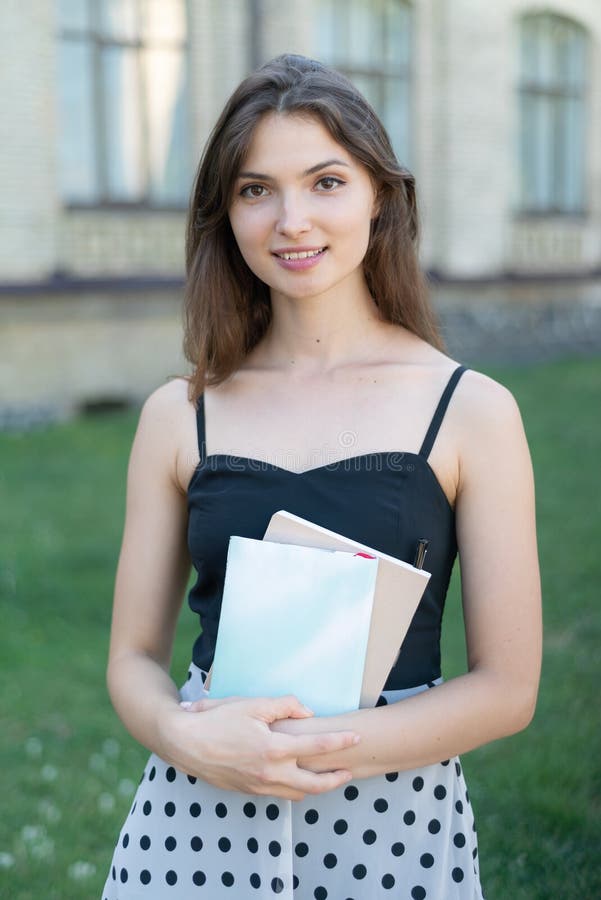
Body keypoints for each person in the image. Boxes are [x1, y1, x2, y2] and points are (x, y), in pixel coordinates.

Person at [101, 53, 542, 899]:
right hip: (193, 821)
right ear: (224, 213)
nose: (290, 220)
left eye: (326, 181)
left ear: (380, 196)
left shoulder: (470, 410)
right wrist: (184, 737)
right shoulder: (178, 413)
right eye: (255, 189)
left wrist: (297, 752)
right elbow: (130, 656)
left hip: (391, 824)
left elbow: (507, 688)